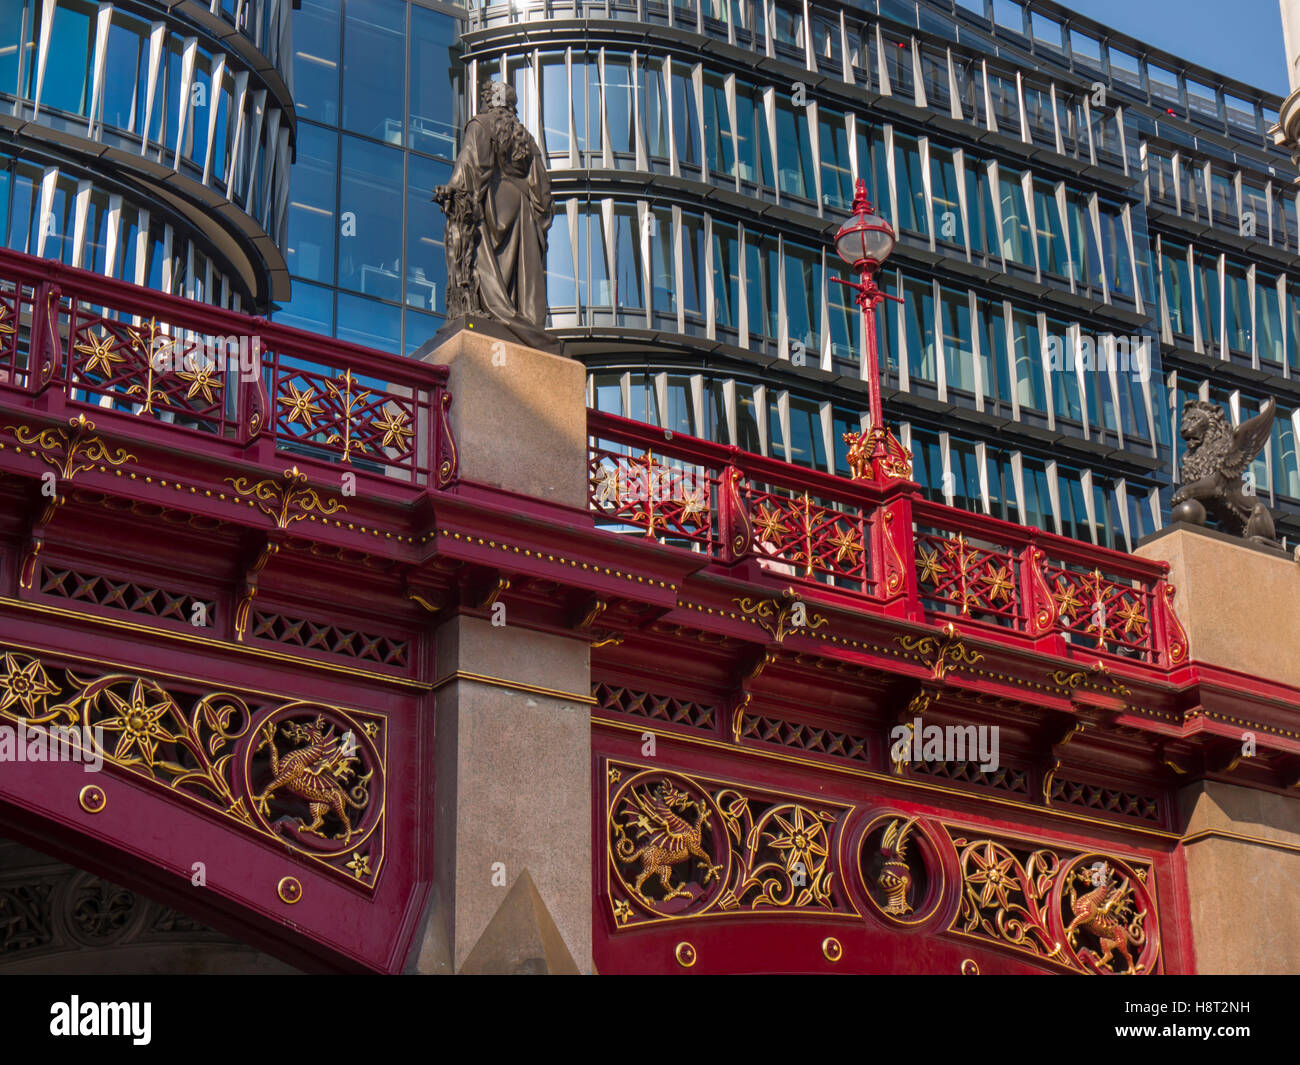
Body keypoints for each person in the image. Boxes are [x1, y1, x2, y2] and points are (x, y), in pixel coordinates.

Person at [433, 80, 553, 332]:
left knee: (489, 277)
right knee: (520, 289)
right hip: (523, 213)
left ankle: (494, 313)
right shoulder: (527, 140)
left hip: (491, 208)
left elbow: (470, 163)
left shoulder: (481, 125)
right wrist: (538, 224)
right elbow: (543, 193)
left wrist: (453, 190)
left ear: (489, 102)